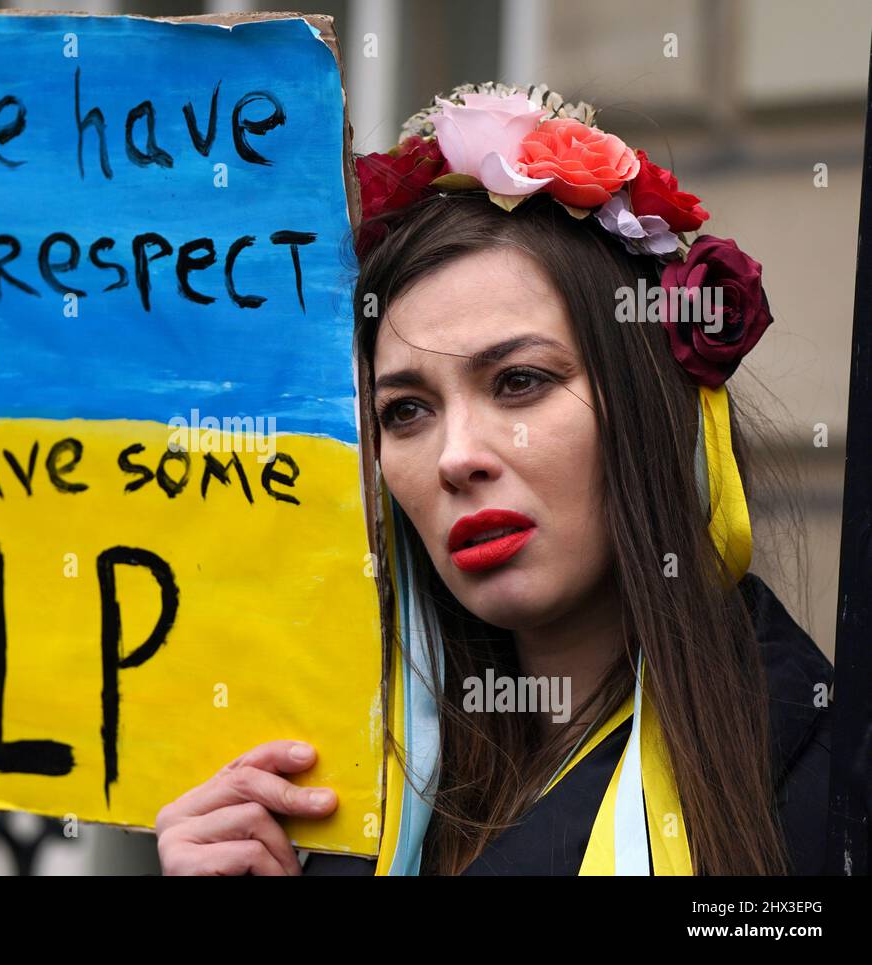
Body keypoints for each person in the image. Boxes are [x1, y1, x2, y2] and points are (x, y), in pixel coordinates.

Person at [153, 82, 834, 876]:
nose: (456, 456)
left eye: (518, 382)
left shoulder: (824, 786)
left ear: (651, 403)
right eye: (405, 411)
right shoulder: (324, 811)